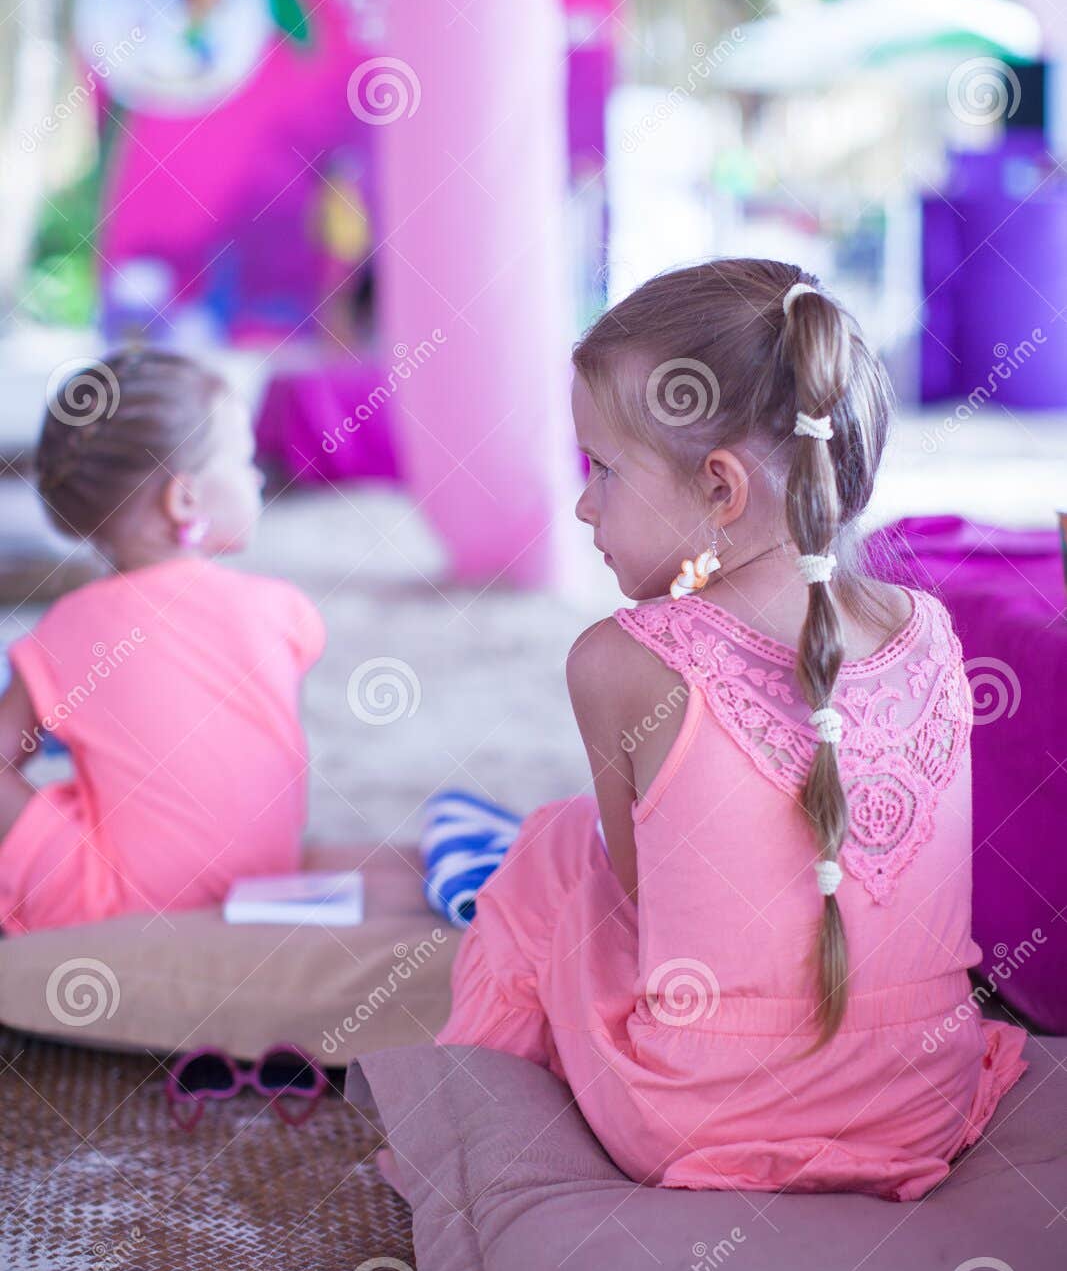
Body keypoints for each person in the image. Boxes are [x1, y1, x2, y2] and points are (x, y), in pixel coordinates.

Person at [432, 260, 1028, 1202]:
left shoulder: (617, 661)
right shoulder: (934, 630)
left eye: (603, 469)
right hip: (923, 1103)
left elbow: (638, 898)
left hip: (695, 1120)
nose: (584, 503)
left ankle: (470, 1116)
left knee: (551, 848)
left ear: (720, 486)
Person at [0, 349, 323, 934]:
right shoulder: (285, 610)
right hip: (264, 885)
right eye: (245, 458)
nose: (256, 476)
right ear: (185, 499)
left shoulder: (61, 630)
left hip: (108, 906)